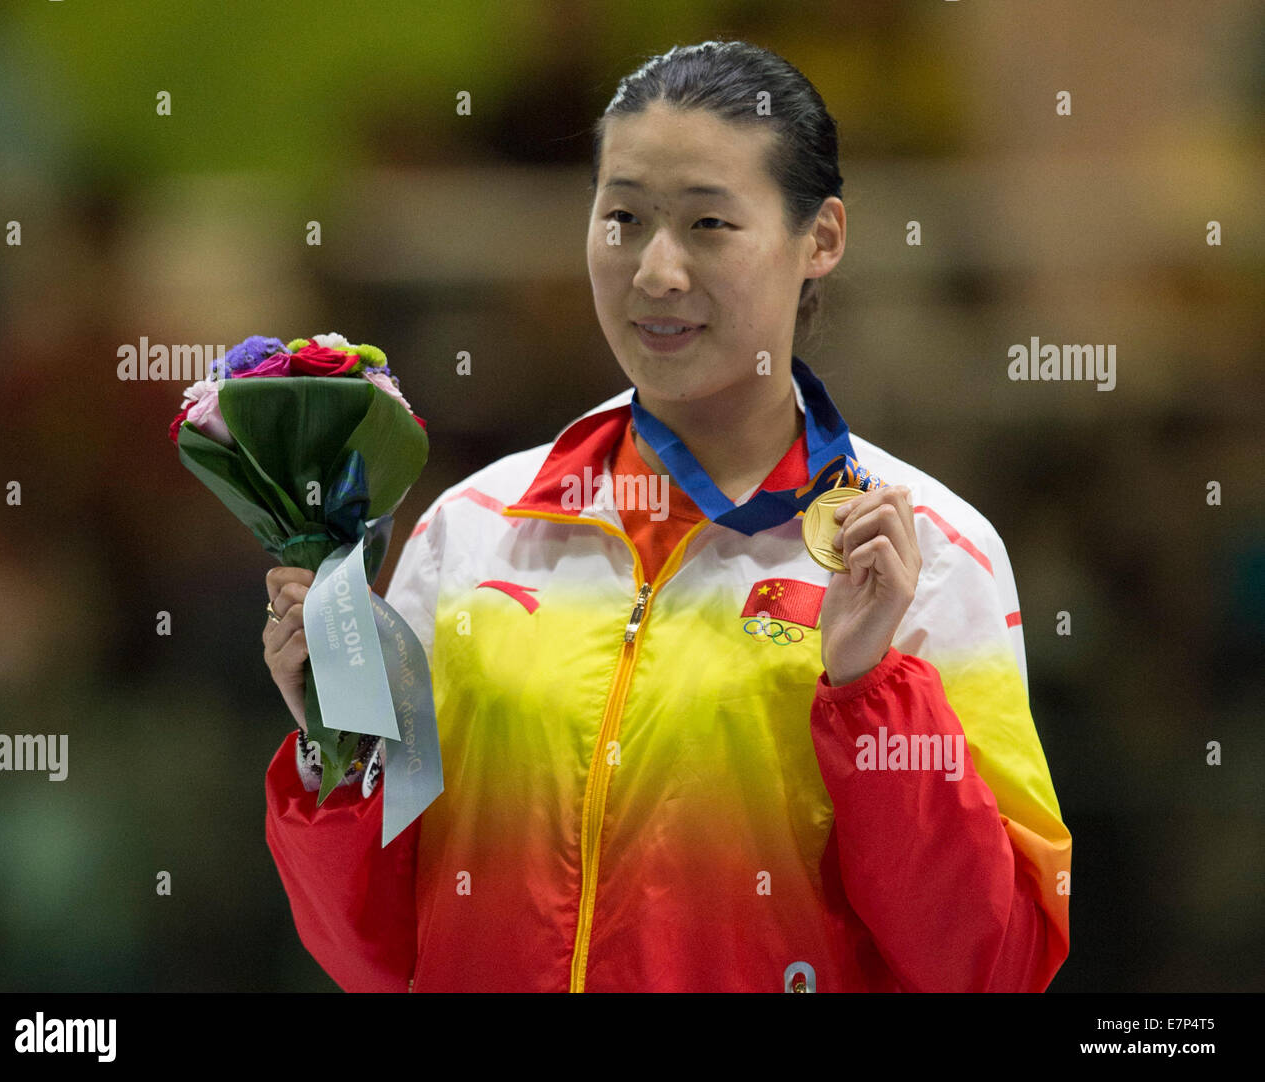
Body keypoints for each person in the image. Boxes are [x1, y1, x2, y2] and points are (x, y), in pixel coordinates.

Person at [261, 39, 1071, 993]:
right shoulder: (472, 533)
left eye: (710, 224)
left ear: (822, 238)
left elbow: (990, 969)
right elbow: (380, 955)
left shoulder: (928, 553)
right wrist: (333, 741)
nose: (656, 270)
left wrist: (867, 695)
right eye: (624, 218)